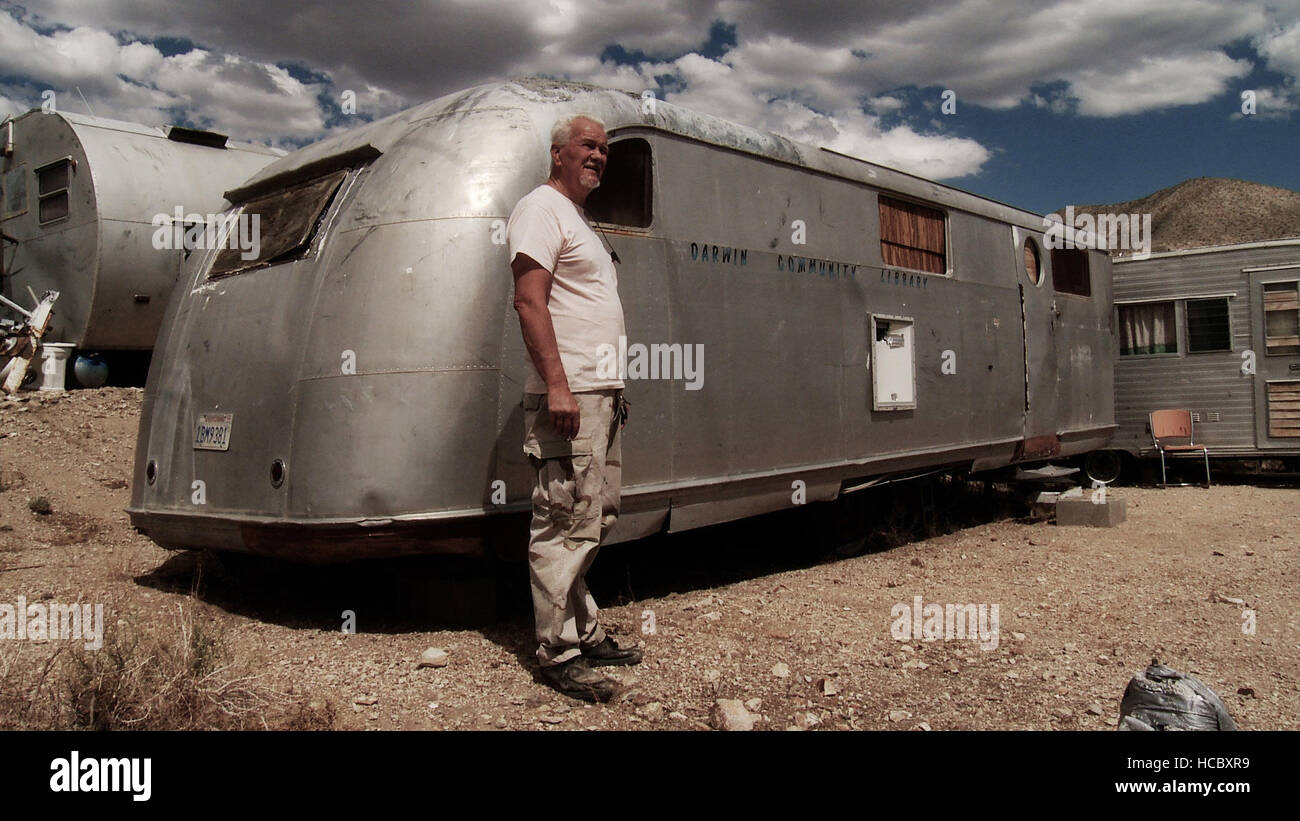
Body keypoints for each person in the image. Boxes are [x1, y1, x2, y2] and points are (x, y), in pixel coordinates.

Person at [507, 113, 642, 702]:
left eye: (604, 149)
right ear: (557, 153)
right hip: (572, 396)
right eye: (588, 146)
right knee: (563, 519)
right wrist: (559, 387)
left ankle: (583, 630)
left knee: (594, 516)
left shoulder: (576, 218)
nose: (599, 156)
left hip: (600, 395)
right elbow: (528, 302)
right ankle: (555, 651)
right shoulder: (540, 208)